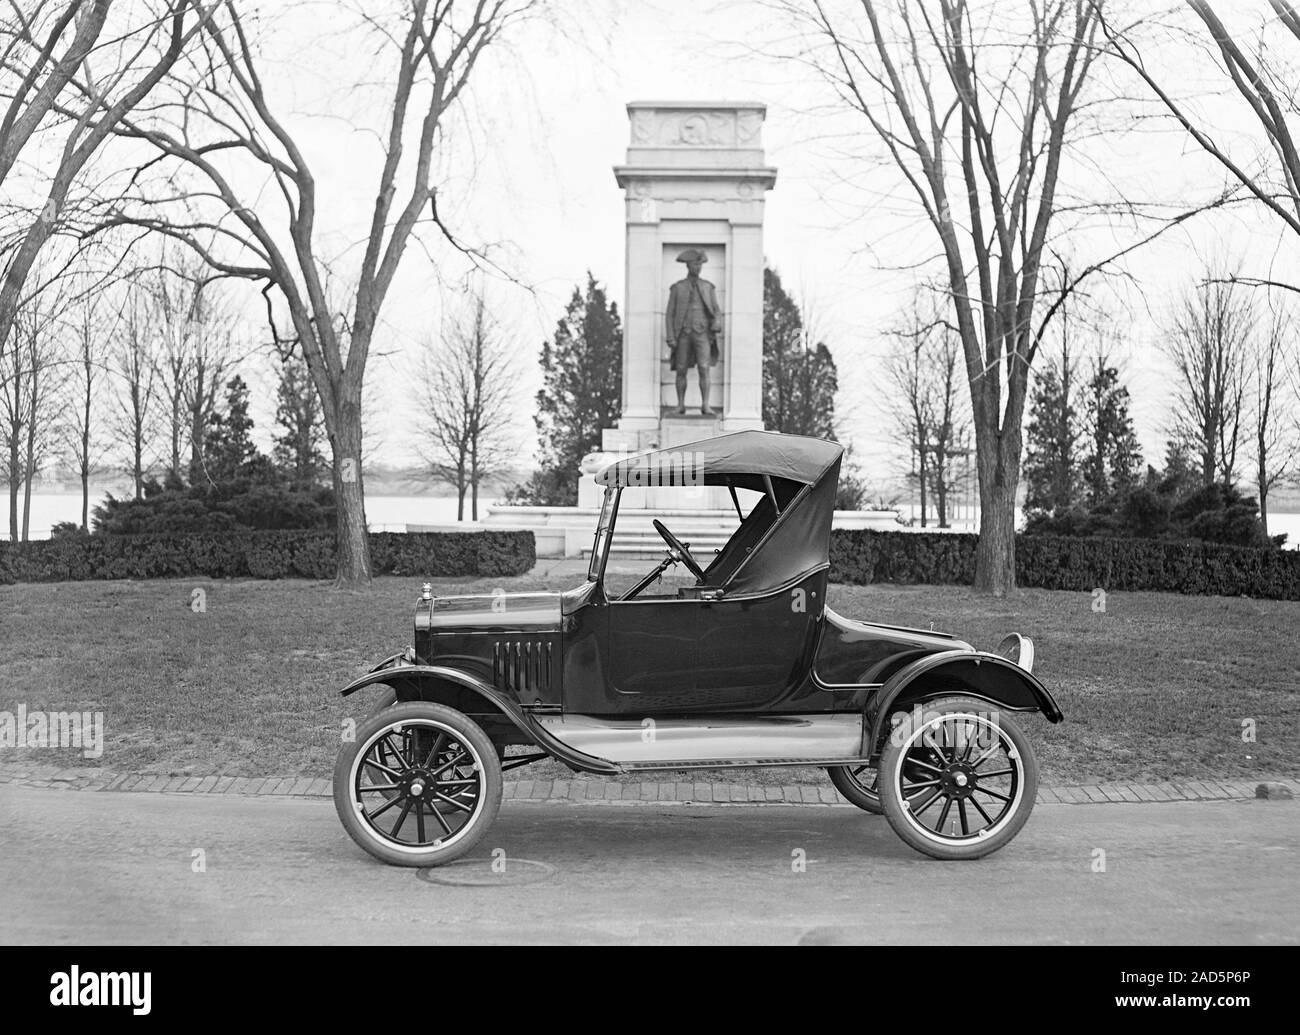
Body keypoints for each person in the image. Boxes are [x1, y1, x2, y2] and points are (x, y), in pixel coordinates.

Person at [664, 248, 721, 415]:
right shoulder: (677, 288)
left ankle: (705, 405)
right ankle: (680, 404)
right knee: (681, 369)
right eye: (695, 264)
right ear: (688, 266)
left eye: (700, 264)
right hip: (683, 333)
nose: (698, 268)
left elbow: (716, 310)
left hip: (702, 333)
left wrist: (717, 322)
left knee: (704, 367)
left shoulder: (708, 287)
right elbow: (670, 313)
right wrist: (670, 335)